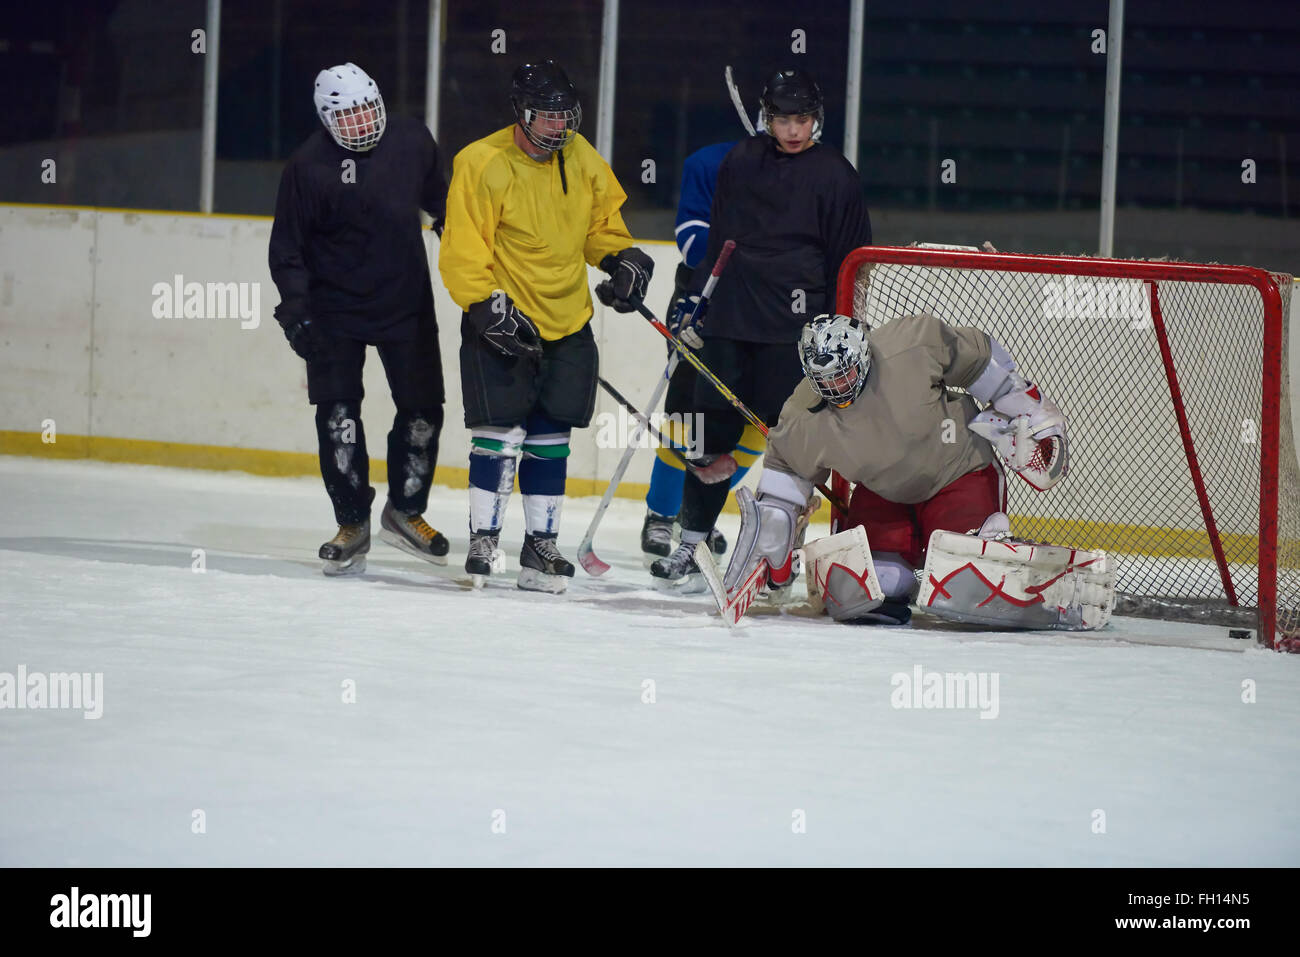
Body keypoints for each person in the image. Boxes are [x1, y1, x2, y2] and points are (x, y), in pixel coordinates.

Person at [649, 68, 872, 587]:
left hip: (794, 331)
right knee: (708, 434)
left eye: (801, 119)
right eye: (782, 119)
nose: (792, 130)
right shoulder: (742, 161)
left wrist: (841, 324)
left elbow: (848, 257)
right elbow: (721, 239)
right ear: (767, 118)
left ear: (816, 119)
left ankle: (778, 553)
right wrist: (696, 300)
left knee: (789, 445)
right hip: (731, 318)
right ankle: (691, 545)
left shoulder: (836, 175)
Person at [439, 59, 653, 593]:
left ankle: (540, 548)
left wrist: (621, 258)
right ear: (521, 113)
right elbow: (463, 249)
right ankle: (485, 540)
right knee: (500, 432)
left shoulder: (579, 157)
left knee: (551, 433)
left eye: (565, 115)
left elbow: (600, 227)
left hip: (567, 321)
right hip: (504, 320)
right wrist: (483, 304)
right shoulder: (481, 162)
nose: (559, 126)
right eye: (547, 115)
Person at [722, 311, 1070, 625]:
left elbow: (978, 359)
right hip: (883, 492)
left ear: (863, 354)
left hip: (957, 472)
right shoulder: (803, 414)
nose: (836, 389)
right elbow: (786, 470)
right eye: (824, 382)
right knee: (872, 582)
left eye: (844, 376)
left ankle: (1004, 559)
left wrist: (1028, 408)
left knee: (971, 574)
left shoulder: (911, 344)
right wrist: (772, 534)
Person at [269, 62, 450, 576]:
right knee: (338, 419)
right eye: (347, 117)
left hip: (405, 302)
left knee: (421, 412)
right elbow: (287, 249)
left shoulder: (413, 139)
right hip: (334, 312)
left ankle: (406, 511)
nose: (361, 124)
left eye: (368, 110)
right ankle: (353, 521)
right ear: (326, 120)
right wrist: (296, 311)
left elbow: (443, 206)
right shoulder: (306, 167)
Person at [639, 140, 767, 561]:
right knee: (689, 414)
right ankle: (661, 513)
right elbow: (692, 239)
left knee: (757, 421)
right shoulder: (710, 162)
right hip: (706, 294)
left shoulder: (813, 169)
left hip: (770, 307)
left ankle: (698, 512)